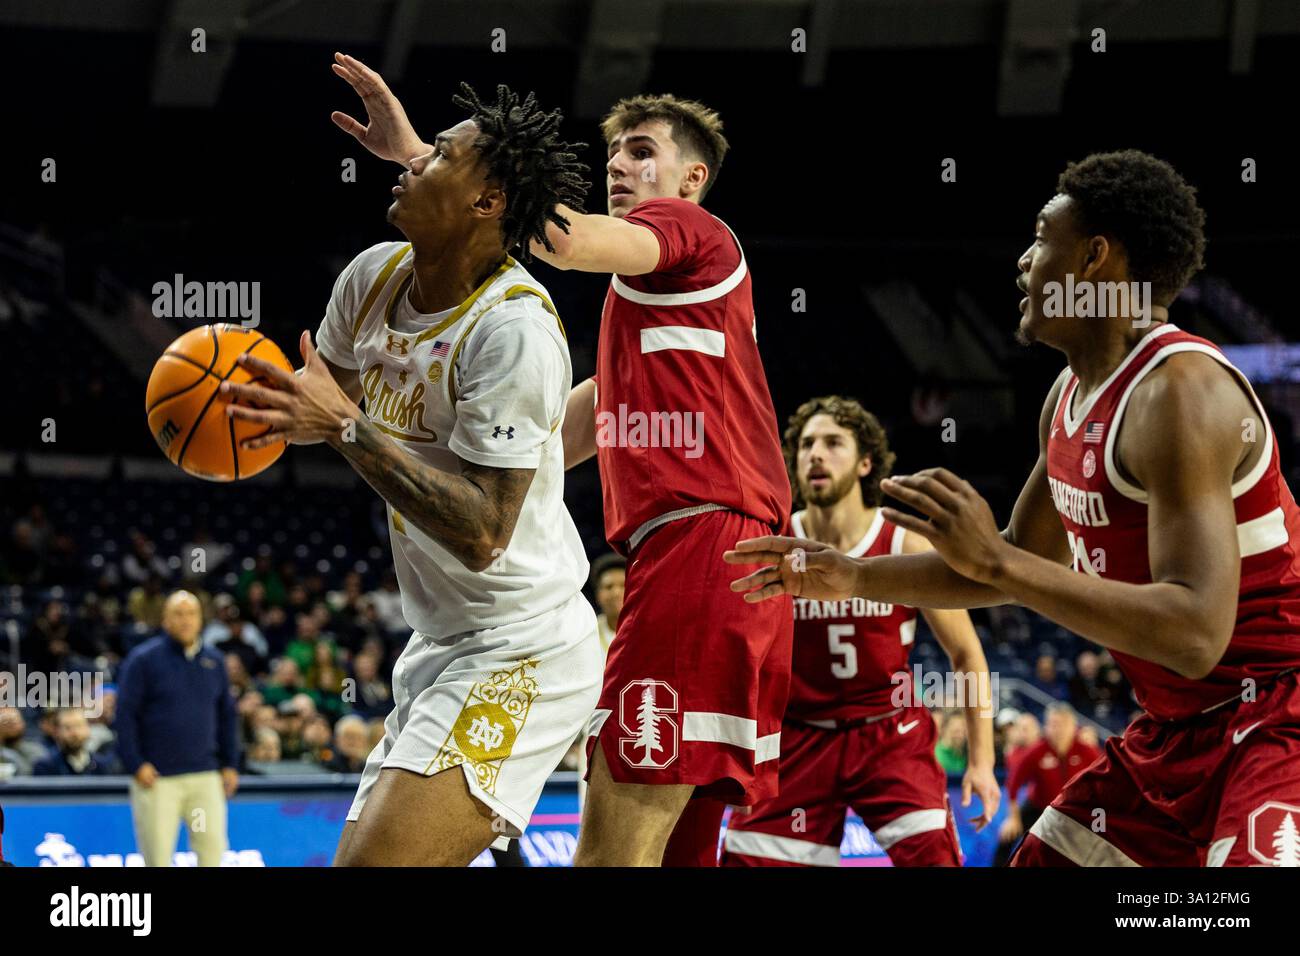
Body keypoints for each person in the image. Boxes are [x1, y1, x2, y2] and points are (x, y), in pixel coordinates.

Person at [727, 150, 1300, 867]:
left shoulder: (1180, 392)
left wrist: (999, 559)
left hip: (1279, 719)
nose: (1024, 262)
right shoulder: (1065, 399)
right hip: (1172, 734)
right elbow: (1003, 570)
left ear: (1094, 257)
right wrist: (848, 575)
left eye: (1039, 237)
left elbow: (1194, 635)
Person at [330, 54, 792, 866]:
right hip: (717, 560)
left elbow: (563, 238)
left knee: (610, 854)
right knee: (675, 850)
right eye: (614, 151)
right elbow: (570, 429)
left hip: (701, 549)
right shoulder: (651, 304)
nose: (619, 163)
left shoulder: (694, 234)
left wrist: (420, 160)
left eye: (642, 151)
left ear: (692, 179)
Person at [227, 76, 601, 867]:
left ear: (487, 200)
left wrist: (345, 428)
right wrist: (251, 411)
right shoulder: (371, 278)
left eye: (439, 159)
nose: (410, 163)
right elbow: (319, 406)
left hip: (523, 641)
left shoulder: (514, 333)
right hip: (436, 642)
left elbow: (481, 533)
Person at [721, 397, 997, 867]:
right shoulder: (776, 540)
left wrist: (983, 763)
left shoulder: (902, 540)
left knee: (935, 858)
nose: (816, 455)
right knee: (746, 861)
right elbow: (736, 659)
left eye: (833, 443)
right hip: (798, 740)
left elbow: (967, 654)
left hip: (888, 736)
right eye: (807, 444)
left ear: (866, 462)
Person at [115, 590, 240, 867]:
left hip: (205, 778)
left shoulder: (214, 661)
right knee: (157, 859)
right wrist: (135, 764)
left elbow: (227, 716)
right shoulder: (143, 660)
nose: (186, 620)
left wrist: (230, 763)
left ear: (200, 620)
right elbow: (125, 716)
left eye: (192, 613)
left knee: (212, 854)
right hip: (158, 779)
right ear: (165, 620)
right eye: (178, 614)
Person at [997, 703, 1100, 865]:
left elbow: (1102, 780)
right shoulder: (1037, 750)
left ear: (1073, 726)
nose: (1056, 729)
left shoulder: (1086, 750)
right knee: (1006, 837)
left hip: (1075, 813)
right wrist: (1013, 817)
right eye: (1052, 724)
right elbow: (1013, 783)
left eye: (1061, 724)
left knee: (1100, 836)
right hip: (1039, 809)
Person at [32, 709, 118, 776]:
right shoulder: (45, 767)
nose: (74, 733)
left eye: (79, 726)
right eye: (68, 728)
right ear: (56, 732)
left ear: (88, 729)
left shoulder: (101, 766)